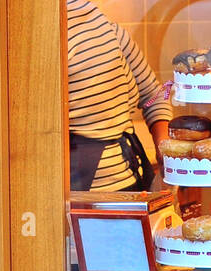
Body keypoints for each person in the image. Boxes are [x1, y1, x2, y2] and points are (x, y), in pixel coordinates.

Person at [66, 0, 172, 192]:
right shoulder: (35, 42)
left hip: (123, 185)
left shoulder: (109, 31)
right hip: (75, 192)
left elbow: (154, 94)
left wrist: (164, 149)